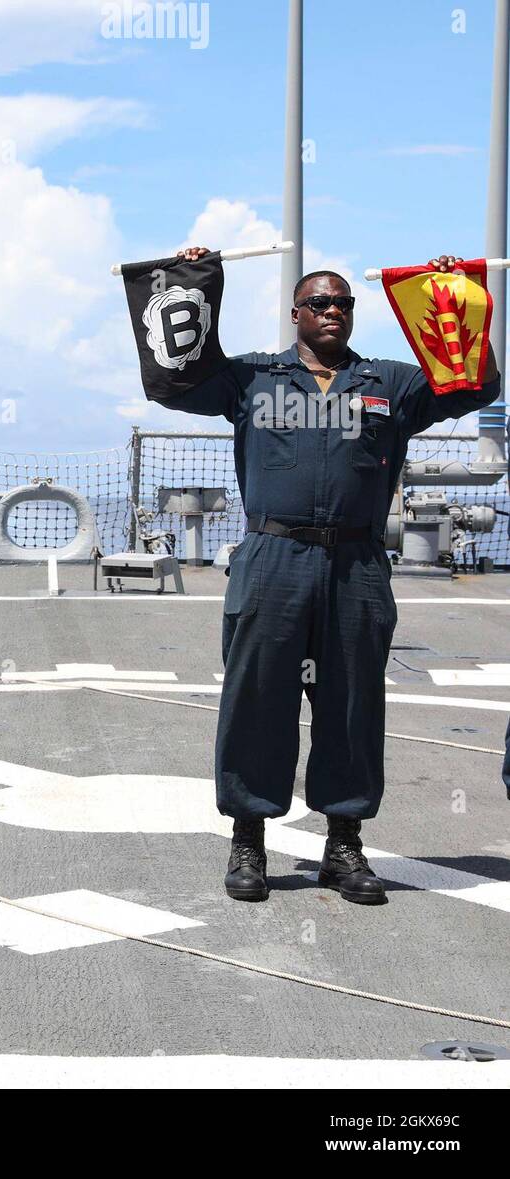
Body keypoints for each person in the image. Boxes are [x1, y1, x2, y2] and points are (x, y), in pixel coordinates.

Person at [158, 249, 500, 905]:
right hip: (272, 558)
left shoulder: (389, 383)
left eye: (343, 303)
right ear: (296, 313)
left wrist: (451, 295)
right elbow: (174, 380)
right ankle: (249, 840)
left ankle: (344, 846)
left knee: (352, 704)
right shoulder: (252, 378)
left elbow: (474, 386)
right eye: (320, 302)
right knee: (258, 700)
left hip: (356, 564)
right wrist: (187, 278)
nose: (334, 311)